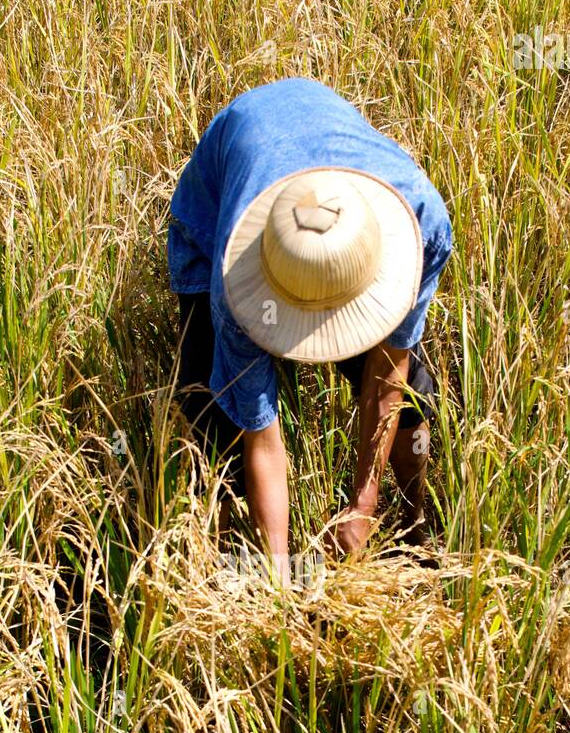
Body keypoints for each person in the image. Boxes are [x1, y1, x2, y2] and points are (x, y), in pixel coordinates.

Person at [167, 77, 453, 581]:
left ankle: (416, 525)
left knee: (414, 402)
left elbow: (388, 380)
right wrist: (281, 586)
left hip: (312, 125)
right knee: (214, 418)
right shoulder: (235, 290)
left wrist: (363, 507)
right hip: (221, 202)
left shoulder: (421, 225)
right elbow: (262, 441)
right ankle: (238, 553)